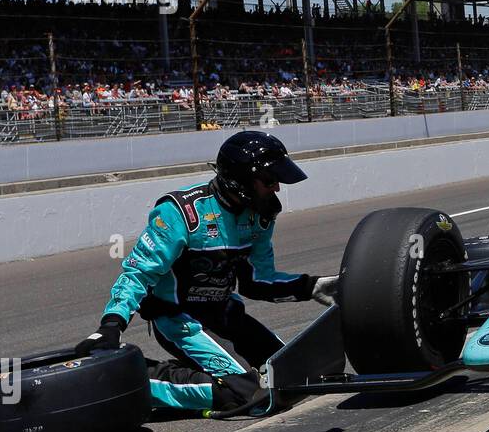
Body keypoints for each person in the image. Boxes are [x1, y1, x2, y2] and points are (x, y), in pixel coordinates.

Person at [77, 131, 339, 413]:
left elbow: (256, 282)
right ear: (239, 179)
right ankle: (131, 380)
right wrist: (111, 325)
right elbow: (138, 273)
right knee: (247, 396)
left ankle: (210, 372)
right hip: (181, 321)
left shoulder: (259, 215)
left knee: (293, 373)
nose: (276, 188)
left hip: (226, 314)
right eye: (269, 180)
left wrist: (311, 287)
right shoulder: (181, 213)